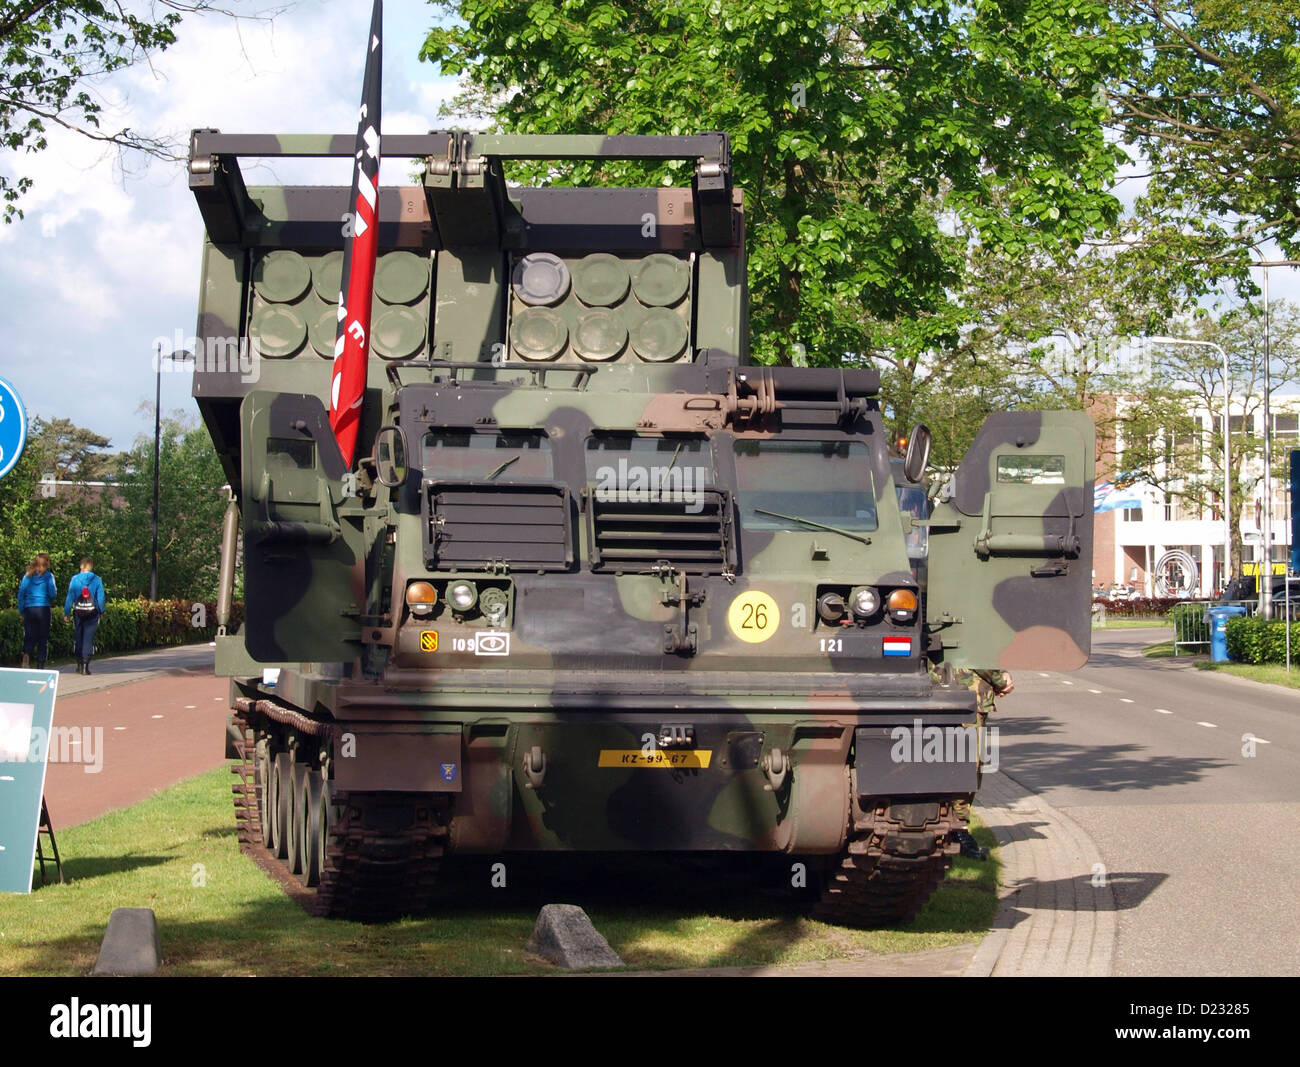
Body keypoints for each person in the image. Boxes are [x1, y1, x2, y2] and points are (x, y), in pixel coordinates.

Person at [64, 558, 106, 675]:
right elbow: (101, 597)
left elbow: (70, 597)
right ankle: (85, 666)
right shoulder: (97, 579)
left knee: (79, 637)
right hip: (92, 612)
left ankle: (78, 664)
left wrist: (66, 612)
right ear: (91, 567)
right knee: (88, 638)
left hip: (78, 612)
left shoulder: (75, 579)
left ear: (81, 567)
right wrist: (101, 611)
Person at [17, 554, 57, 669]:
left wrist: (21, 611)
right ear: (47, 563)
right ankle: (40, 663)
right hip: (43, 608)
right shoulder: (49, 576)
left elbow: (21, 594)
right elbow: (53, 594)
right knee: (42, 637)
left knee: (29, 634)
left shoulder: (27, 576)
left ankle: (26, 655)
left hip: (29, 608)